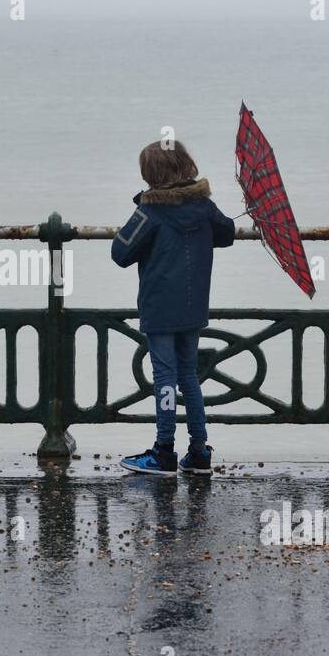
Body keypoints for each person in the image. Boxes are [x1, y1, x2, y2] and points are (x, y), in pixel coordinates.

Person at [111, 140, 236, 475]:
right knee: (189, 377)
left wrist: (141, 205)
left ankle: (163, 450)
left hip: (159, 307)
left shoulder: (149, 212)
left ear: (150, 176)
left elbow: (120, 252)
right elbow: (227, 233)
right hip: (194, 306)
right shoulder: (205, 207)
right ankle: (199, 451)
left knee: (164, 377)